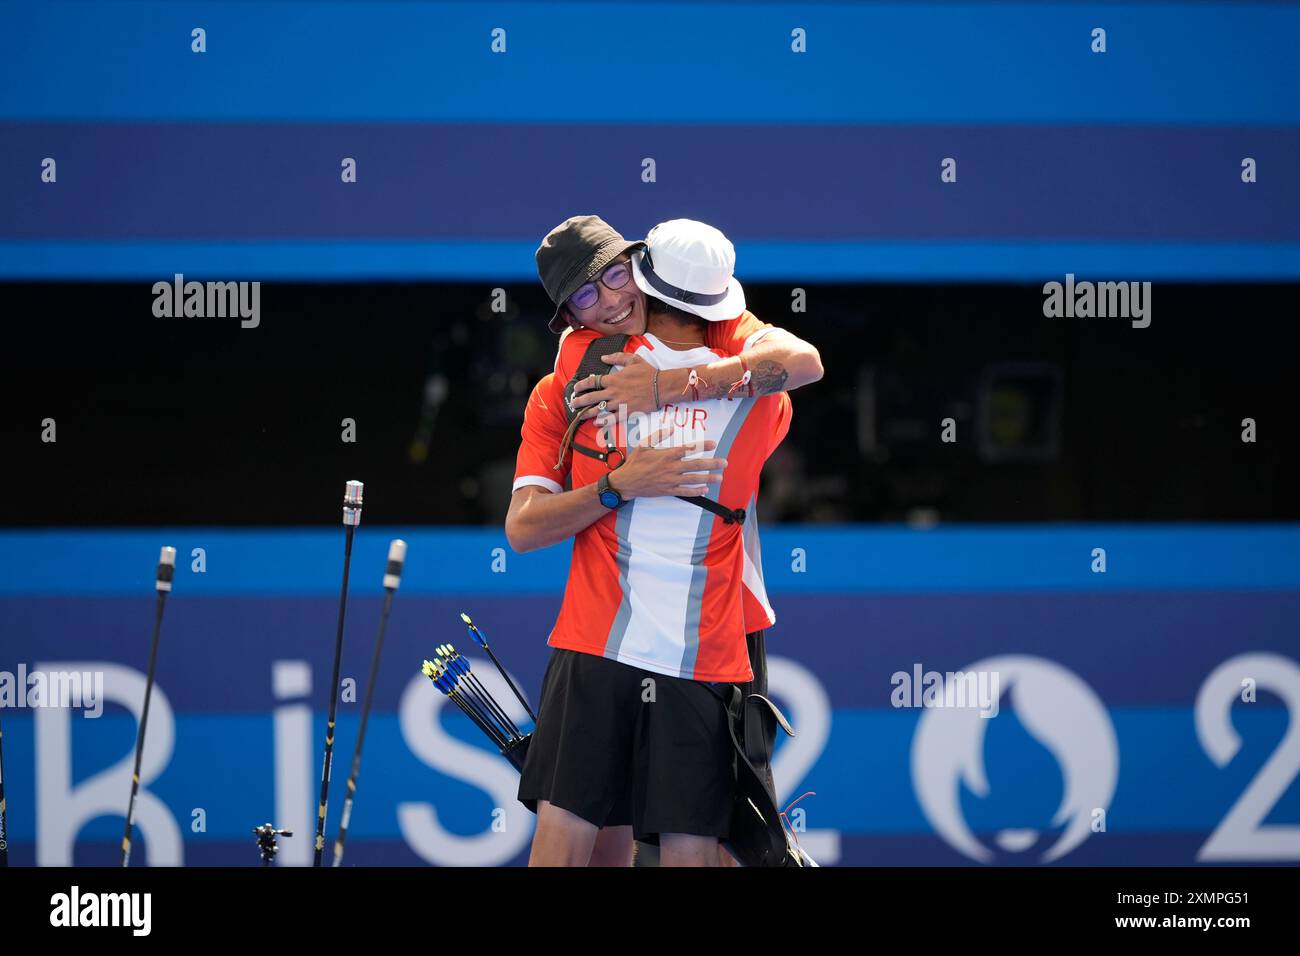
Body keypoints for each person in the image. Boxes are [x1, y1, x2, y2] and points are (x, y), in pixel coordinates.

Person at [507, 217, 822, 866]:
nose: (613, 299)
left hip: (719, 625)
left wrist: (669, 386)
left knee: (721, 843)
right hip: (611, 638)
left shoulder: (722, 336)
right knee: (610, 838)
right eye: (588, 296)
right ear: (570, 315)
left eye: (618, 275)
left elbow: (800, 363)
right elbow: (522, 527)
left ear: (643, 265)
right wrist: (616, 486)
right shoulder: (566, 386)